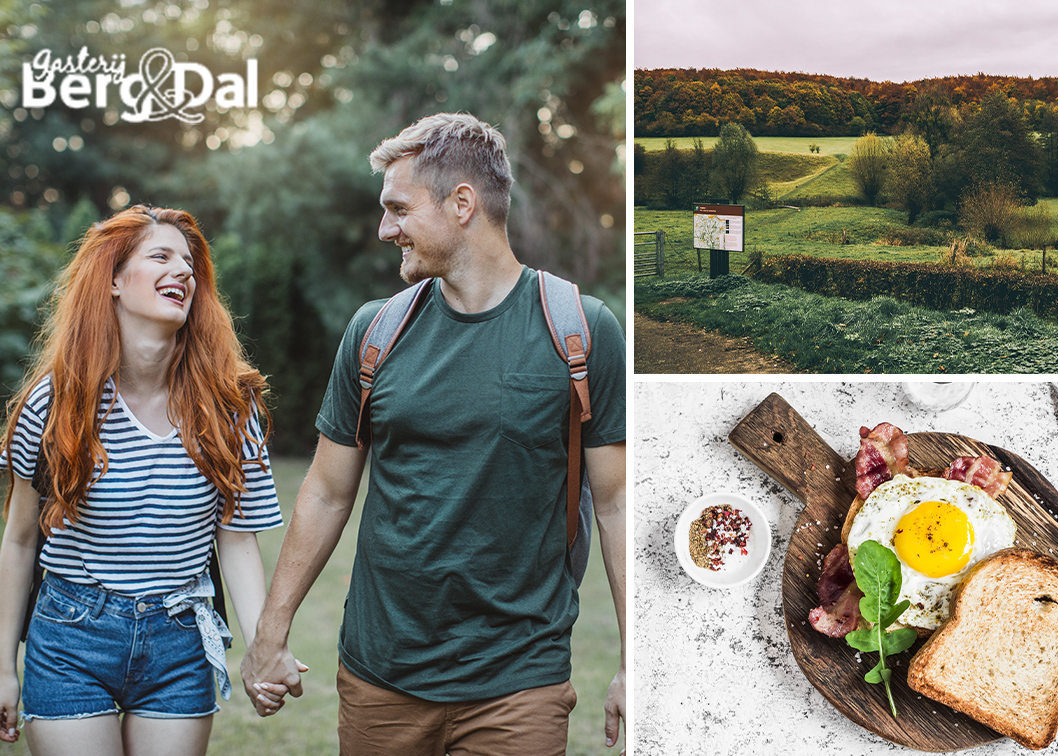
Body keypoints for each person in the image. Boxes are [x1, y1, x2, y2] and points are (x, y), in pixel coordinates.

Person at [240, 112, 627, 754]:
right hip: (380, 682)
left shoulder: (580, 332)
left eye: (398, 209)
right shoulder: (374, 332)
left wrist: (634, 659)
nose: (385, 229)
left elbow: (615, 504)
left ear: (462, 204)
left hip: (519, 685)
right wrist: (270, 632)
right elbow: (327, 492)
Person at [0, 206, 289, 755]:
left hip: (179, 640)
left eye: (189, 263)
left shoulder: (229, 406)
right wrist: (1, 669)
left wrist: (261, 648)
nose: (183, 270)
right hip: (70, 637)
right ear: (112, 279)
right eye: (161, 256)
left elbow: (237, 542)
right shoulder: (57, 403)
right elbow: (18, 541)